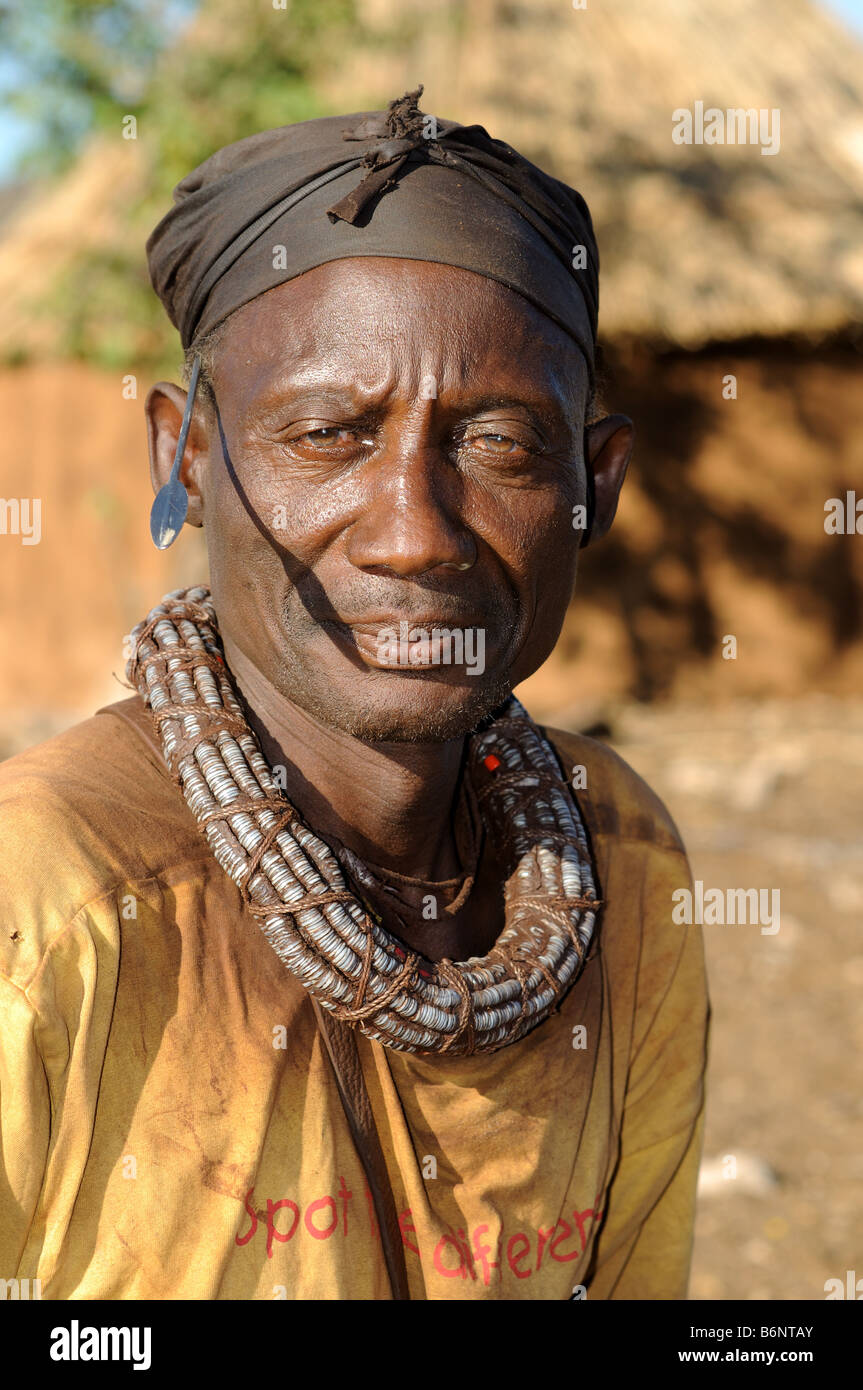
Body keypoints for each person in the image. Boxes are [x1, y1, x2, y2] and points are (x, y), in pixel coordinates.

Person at [0, 87, 708, 1300]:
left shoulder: (619, 859)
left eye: (495, 443)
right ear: (188, 459)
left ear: (597, 485)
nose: (414, 536)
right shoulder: (52, 896)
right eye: (329, 433)